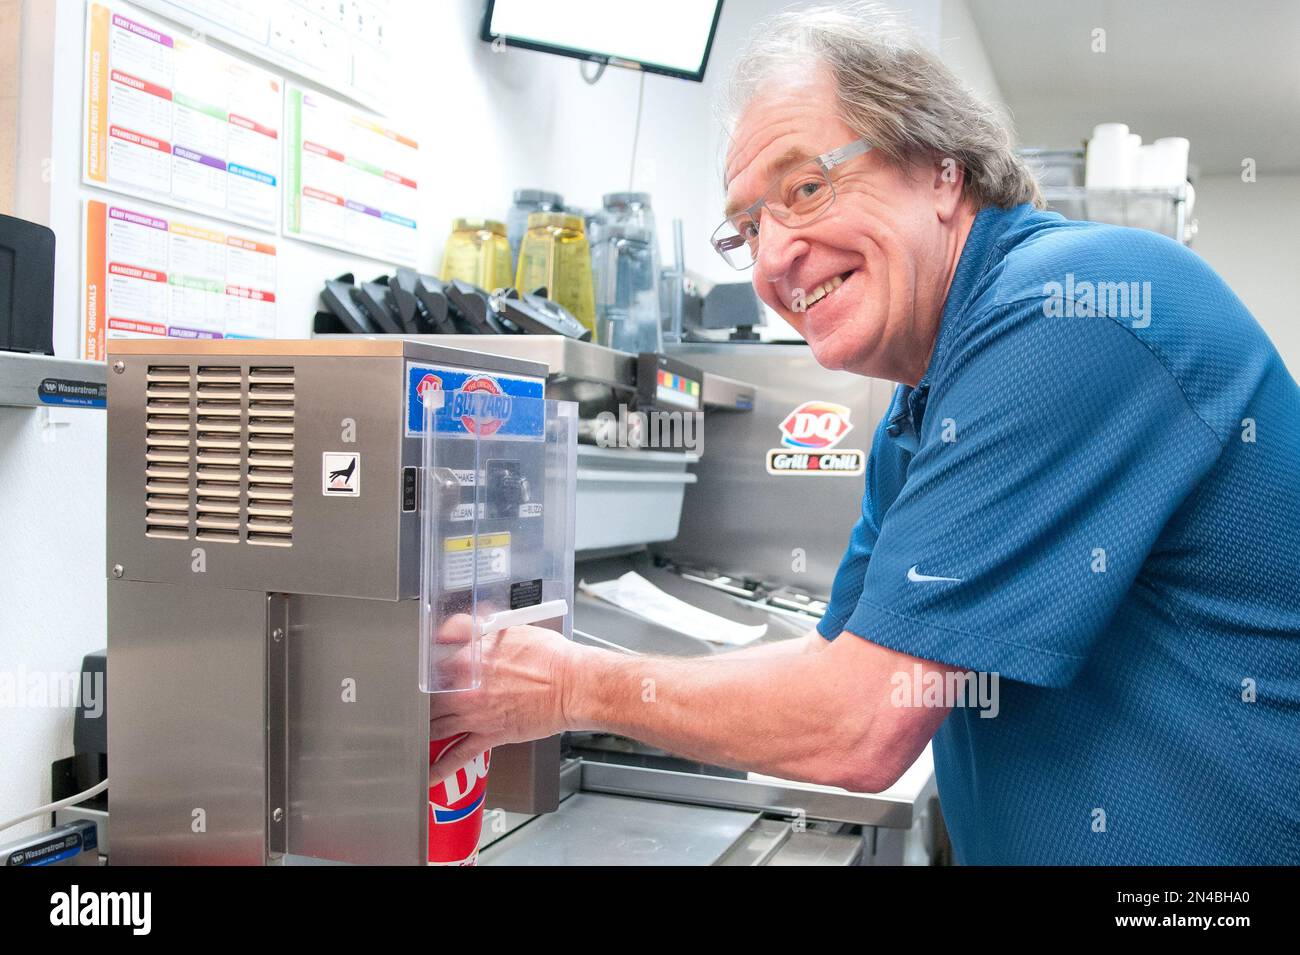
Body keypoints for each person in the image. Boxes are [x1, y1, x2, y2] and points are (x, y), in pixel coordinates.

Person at [430, 2, 1300, 864]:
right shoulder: (919, 404)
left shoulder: (1071, 310)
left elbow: (857, 724)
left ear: (941, 170)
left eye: (804, 189)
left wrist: (568, 685)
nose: (773, 259)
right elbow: (833, 663)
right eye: (747, 228)